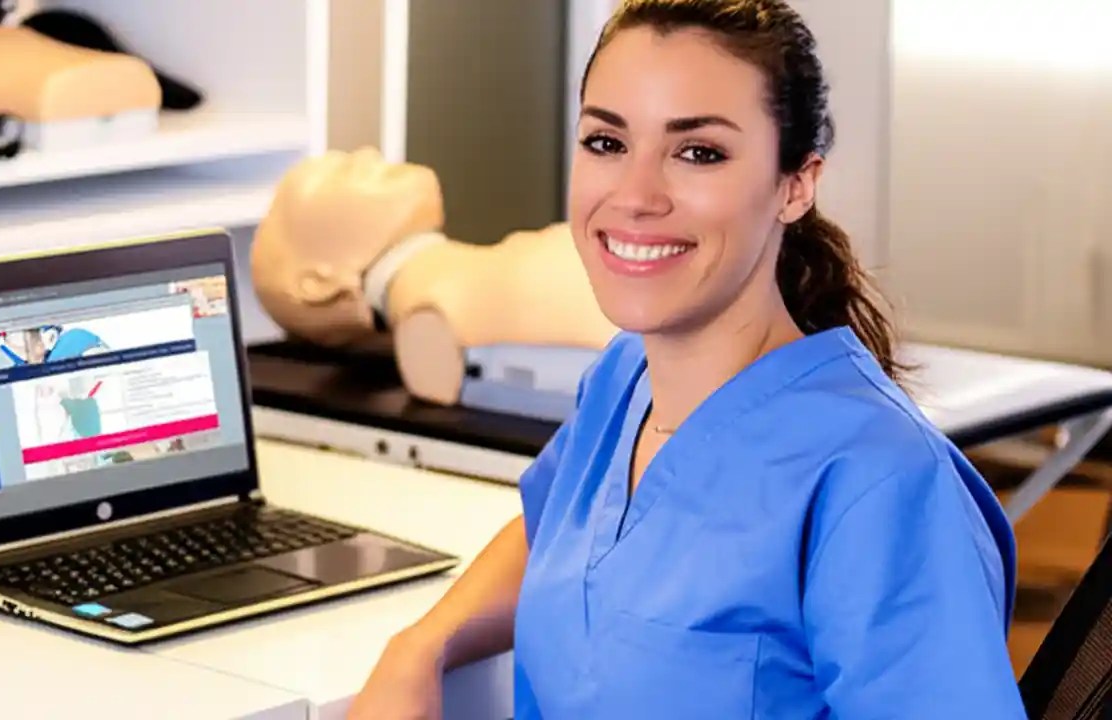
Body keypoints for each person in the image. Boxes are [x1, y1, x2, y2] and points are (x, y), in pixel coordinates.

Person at [348, 0, 1026, 717]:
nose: (635, 196)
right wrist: (422, 644)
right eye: (607, 142)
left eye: (698, 152)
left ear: (795, 184)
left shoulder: (877, 482)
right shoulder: (622, 382)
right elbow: (561, 542)